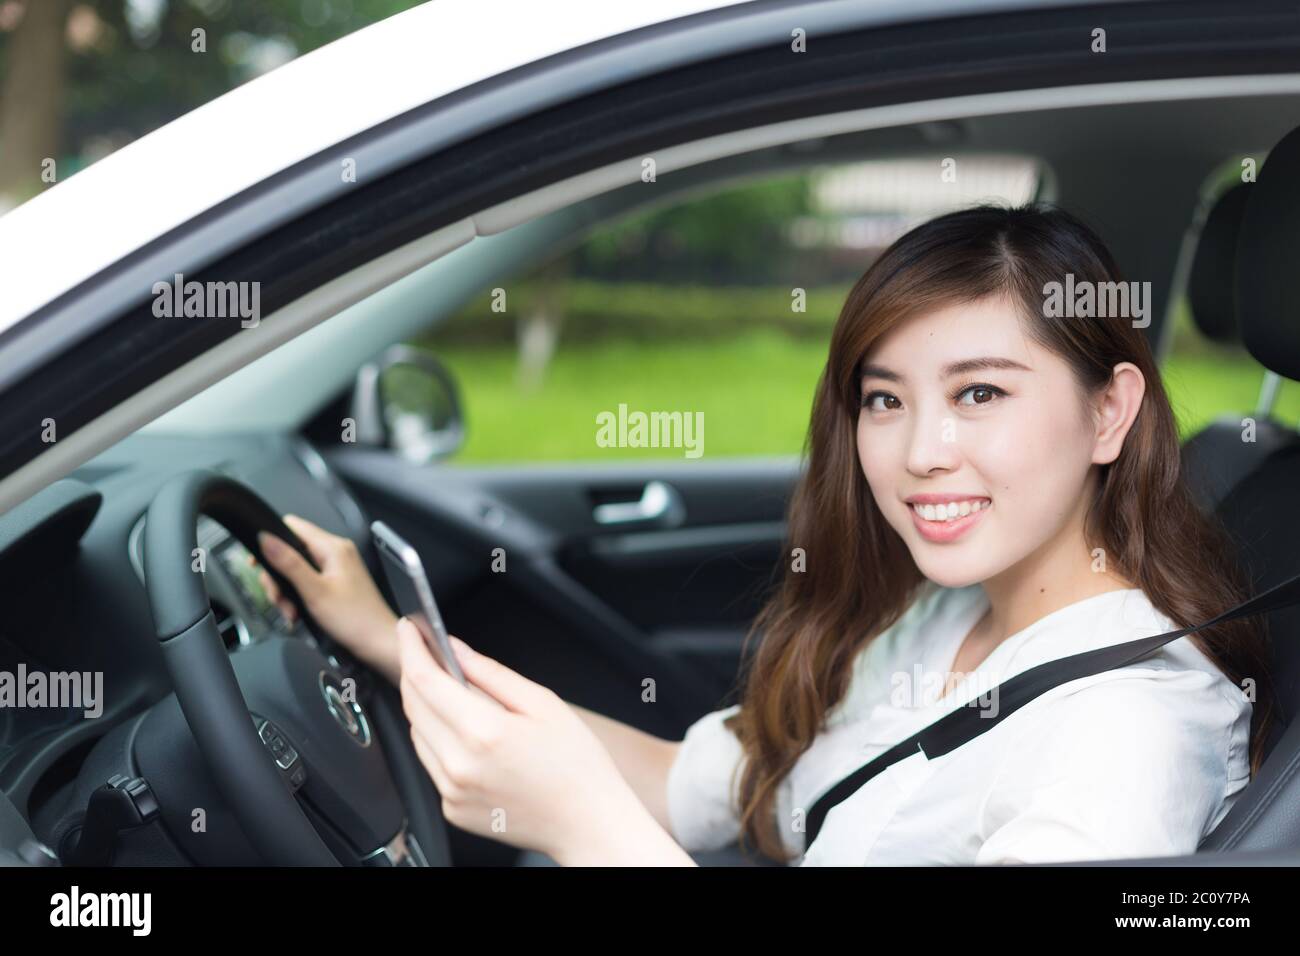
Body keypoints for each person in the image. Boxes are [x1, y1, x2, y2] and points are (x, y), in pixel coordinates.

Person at [256, 203, 1276, 866]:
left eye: (978, 391)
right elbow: (695, 787)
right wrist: (392, 642)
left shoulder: (1124, 734)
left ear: (1107, 413)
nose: (921, 449)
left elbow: (618, 813)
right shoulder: (939, 616)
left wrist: (579, 822)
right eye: (884, 399)